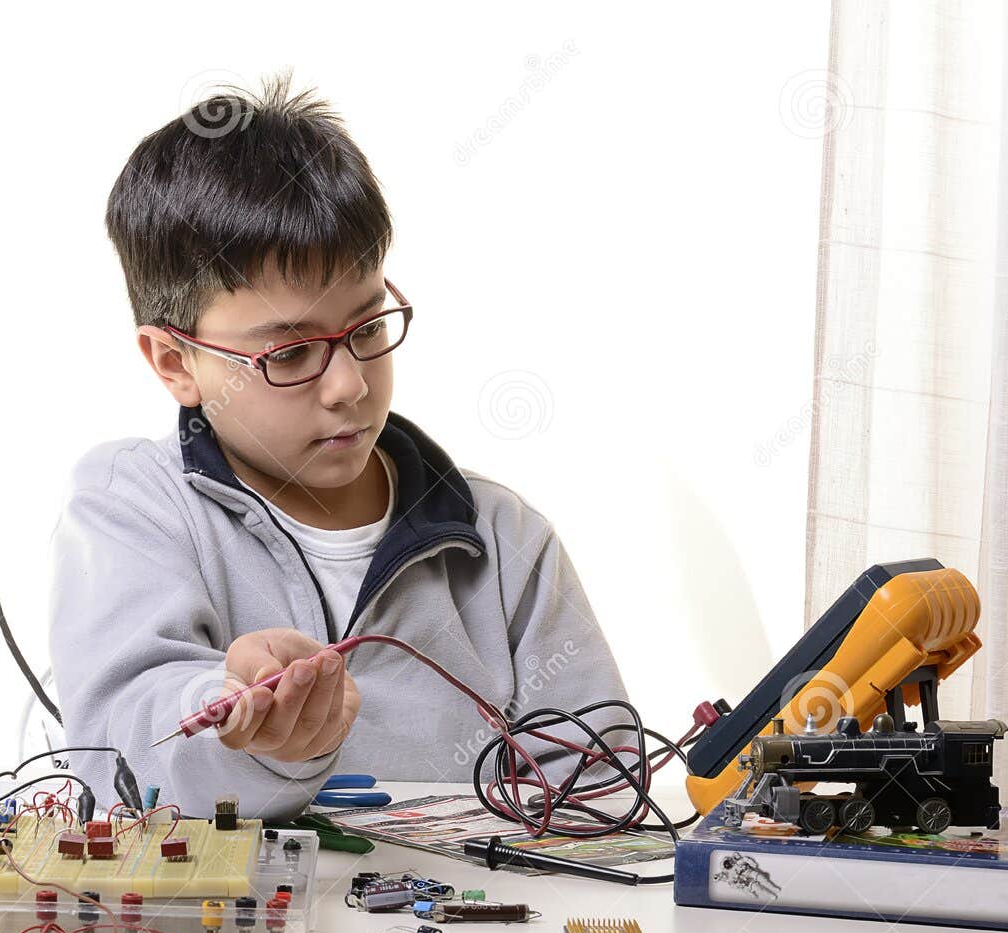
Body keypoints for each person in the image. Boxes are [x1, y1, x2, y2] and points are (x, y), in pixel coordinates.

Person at [49, 75, 626, 819]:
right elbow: (122, 752)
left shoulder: (503, 537)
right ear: (173, 362)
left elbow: (603, 794)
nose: (349, 385)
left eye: (366, 328)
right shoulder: (130, 504)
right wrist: (237, 716)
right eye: (288, 355)